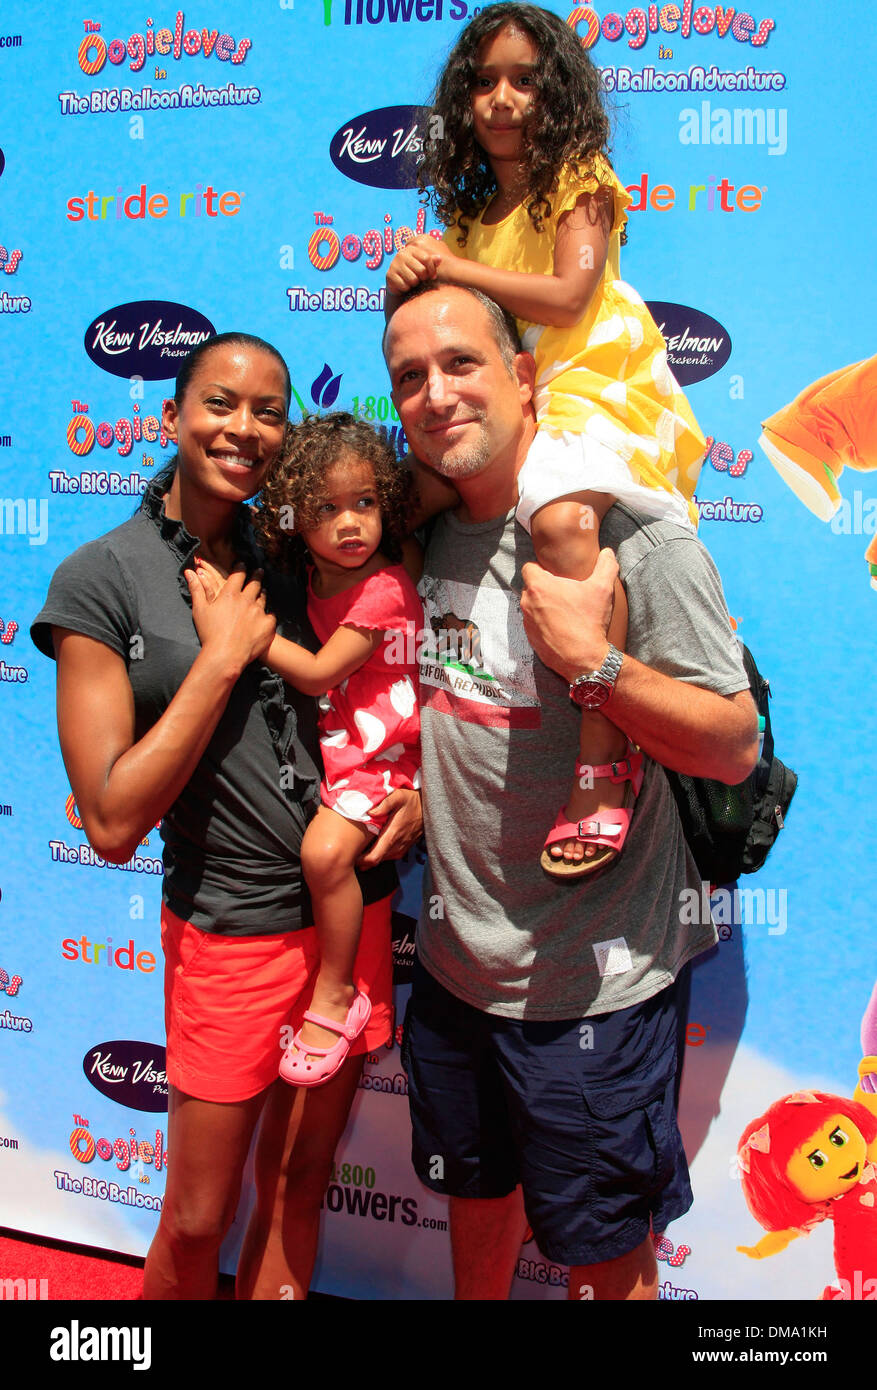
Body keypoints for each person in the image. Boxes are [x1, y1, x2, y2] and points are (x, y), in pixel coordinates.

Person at [383, 281, 758, 1300]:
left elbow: (732, 744)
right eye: (409, 375)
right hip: (456, 977)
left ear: (523, 374)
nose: (435, 392)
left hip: (590, 989)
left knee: (603, 1264)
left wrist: (594, 664)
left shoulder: (635, 539)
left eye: (461, 362)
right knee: (477, 1234)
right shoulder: (416, 541)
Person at [31, 333, 421, 1300]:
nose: (242, 427)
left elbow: (380, 681)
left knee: (300, 1184)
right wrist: (219, 658)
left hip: (348, 912)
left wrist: (416, 790)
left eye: (268, 410)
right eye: (218, 403)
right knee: (200, 1218)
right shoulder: (103, 577)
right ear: (169, 417)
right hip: (230, 929)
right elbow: (110, 822)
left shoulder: (297, 550)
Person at [386, 2, 706, 877]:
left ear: (557, 91)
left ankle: (602, 760)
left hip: (591, 382)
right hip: (510, 401)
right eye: (483, 82)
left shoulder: (581, 175)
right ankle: (392, 742)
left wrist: (443, 262)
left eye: (525, 80)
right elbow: (442, 327)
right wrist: (405, 276)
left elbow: (567, 300)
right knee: (388, 514)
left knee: (564, 524)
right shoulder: (467, 216)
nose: (501, 98)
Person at [192, 412, 422, 1087]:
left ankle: (335, 994)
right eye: (327, 508)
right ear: (293, 518)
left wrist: (241, 635)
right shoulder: (314, 576)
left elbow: (321, 674)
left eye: (365, 503)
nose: (351, 523)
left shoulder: (384, 589)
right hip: (345, 754)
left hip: (384, 759)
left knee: (323, 855)